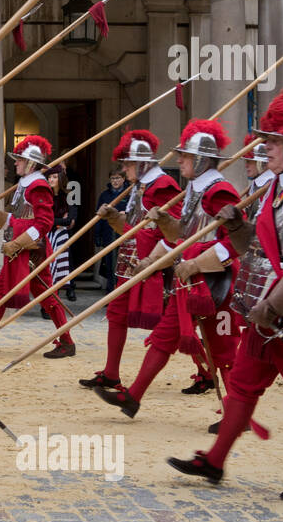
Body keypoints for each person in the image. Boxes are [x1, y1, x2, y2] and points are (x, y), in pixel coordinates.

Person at [169, 90, 283, 503]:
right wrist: (235, 227)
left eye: (275, 141)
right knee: (244, 384)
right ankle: (214, 460)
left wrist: (275, 307)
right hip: (261, 304)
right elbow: (259, 247)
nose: (265, 147)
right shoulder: (277, 187)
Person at [92, 120, 241, 420]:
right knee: (163, 338)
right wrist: (152, 261)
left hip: (214, 283)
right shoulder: (192, 192)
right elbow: (180, 238)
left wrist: (196, 263)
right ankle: (133, 396)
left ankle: (238, 413)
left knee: (223, 350)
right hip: (188, 279)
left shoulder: (220, 191)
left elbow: (233, 246)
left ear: (200, 160)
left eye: (185, 156)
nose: (179, 160)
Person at [0, 135, 76, 359]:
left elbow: (43, 224)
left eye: (19, 160)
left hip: (32, 252)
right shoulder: (24, 185)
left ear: (30, 163)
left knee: (48, 298)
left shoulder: (39, 186)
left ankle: (67, 342)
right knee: (0, 293)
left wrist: (17, 243)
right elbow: (18, 218)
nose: (15, 163)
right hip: (16, 251)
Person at [79, 130, 181, 390]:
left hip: (156, 265)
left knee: (174, 324)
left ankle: (205, 369)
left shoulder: (164, 187)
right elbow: (131, 227)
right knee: (116, 314)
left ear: (143, 163)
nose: (124, 170)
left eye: (127, 164)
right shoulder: (139, 187)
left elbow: (175, 235)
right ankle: (111, 372)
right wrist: (113, 216)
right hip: (130, 262)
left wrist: (154, 261)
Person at [47, 164, 78, 303]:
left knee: (59, 268)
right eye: (49, 177)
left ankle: (55, 299)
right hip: (47, 236)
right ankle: (46, 303)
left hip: (61, 237)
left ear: (60, 178)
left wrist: (53, 220)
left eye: (54, 177)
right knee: (48, 268)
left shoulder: (68, 196)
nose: (51, 180)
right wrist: (60, 220)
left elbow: (70, 220)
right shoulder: (45, 195)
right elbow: (42, 219)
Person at [95, 168, 128, 292]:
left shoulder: (128, 193)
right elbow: (99, 216)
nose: (115, 181)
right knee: (110, 264)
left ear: (123, 179)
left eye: (118, 178)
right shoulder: (105, 195)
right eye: (113, 178)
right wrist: (98, 235)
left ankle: (121, 291)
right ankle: (110, 292)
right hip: (108, 233)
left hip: (123, 233)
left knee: (122, 263)